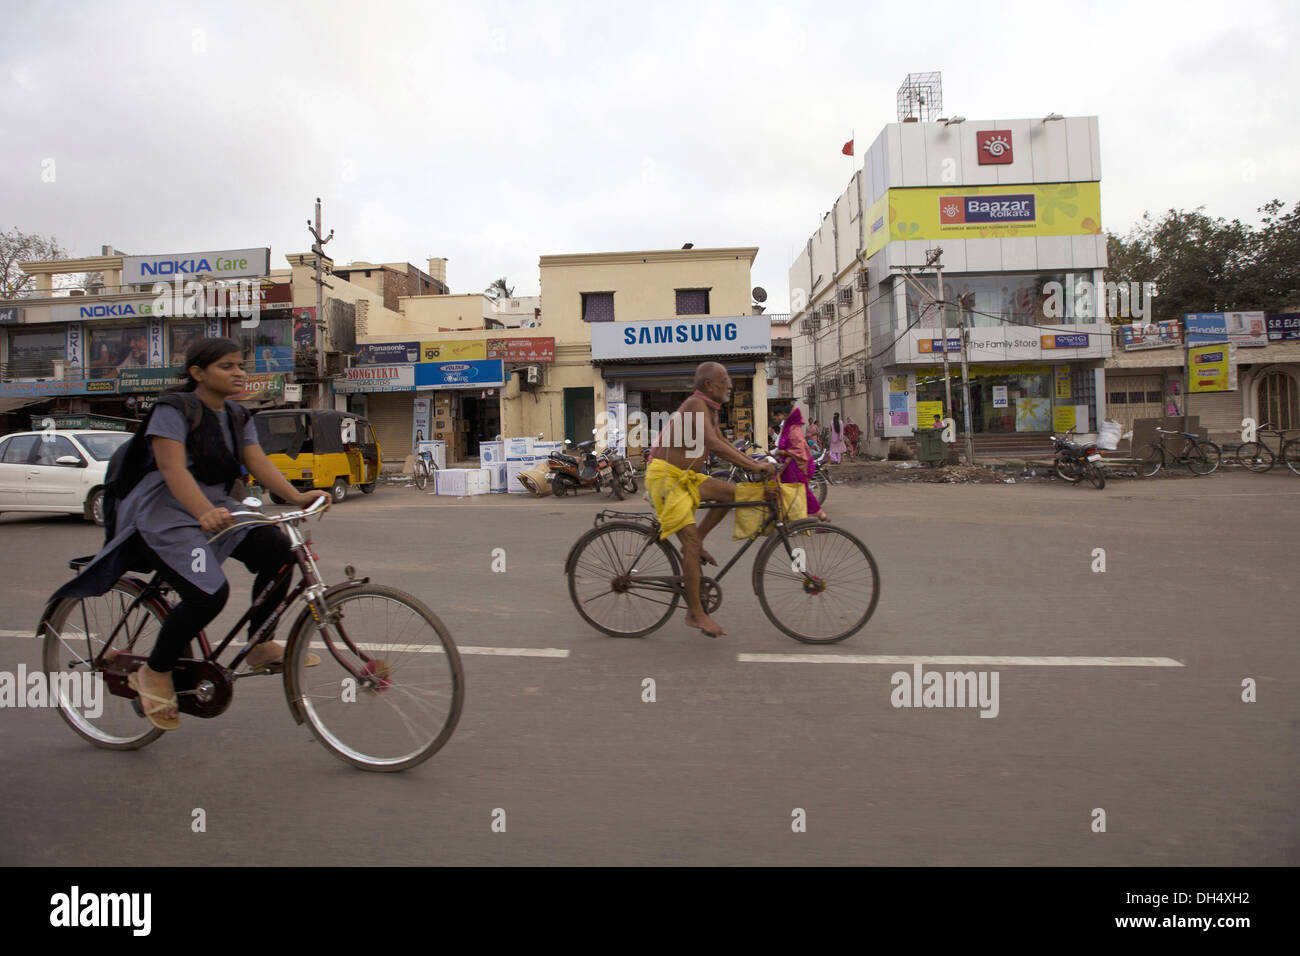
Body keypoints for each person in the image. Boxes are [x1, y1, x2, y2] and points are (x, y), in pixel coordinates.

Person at [48, 337, 332, 731]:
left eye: (240, 365)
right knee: (208, 593)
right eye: (227, 367)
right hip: (165, 513)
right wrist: (202, 512)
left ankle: (260, 643)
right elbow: (172, 469)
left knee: (278, 551)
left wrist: (296, 496)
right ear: (198, 373)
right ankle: (154, 671)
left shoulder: (236, 414)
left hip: (217, 508)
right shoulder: (173, 410)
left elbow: (257, 461)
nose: (238, 373)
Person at [645, 362, 776, 638]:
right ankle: (694, 613)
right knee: (690, 544)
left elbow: (723, 443)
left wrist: (753, 462)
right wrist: (754, 467)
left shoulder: (708, 409)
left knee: (733, 494)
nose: (729, 386)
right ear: (708, 386)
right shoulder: (695, 404)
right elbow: (714, 445)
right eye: (724, 381)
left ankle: (696, 542)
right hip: (666, 478)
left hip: (685, 477)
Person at [776, 403, 829, 523]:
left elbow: (797, 450)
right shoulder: (789, 428)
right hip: (788, 466)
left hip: (794, 467)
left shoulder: (794, 430)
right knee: (788, 493)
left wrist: (782, 452)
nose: (784, 417)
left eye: (785, 415)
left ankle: (819, 516)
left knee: (799, 491)